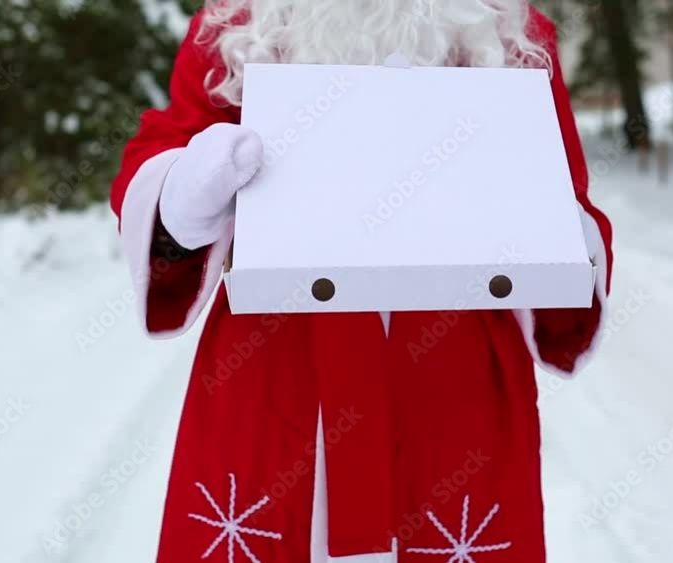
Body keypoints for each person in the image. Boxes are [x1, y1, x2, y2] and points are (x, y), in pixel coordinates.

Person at [110, 1, 613, 562]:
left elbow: (571, 198)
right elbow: (168, 144)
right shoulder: (234, 23)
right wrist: (180, 200)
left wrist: (559, 232)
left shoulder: (513, 28)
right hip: (276, 364)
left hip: (453, 369)